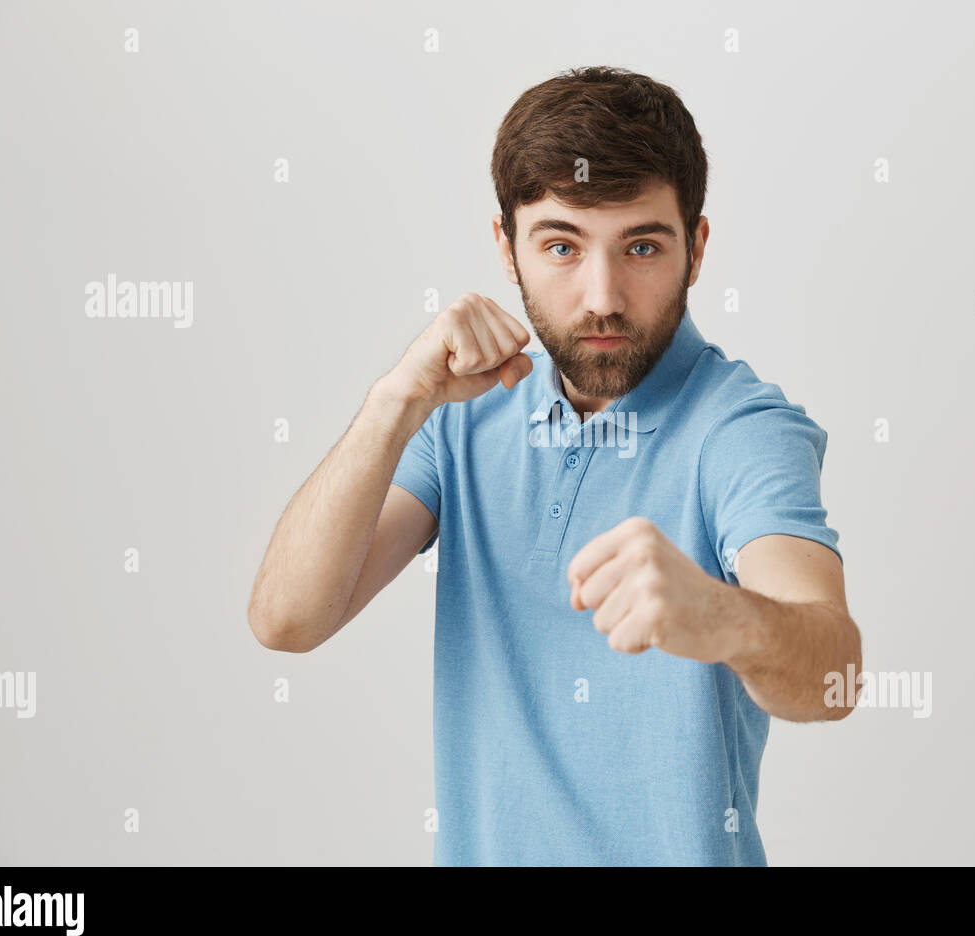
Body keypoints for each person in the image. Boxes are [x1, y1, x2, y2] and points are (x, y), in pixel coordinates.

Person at [247, 65, 862, 866]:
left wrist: (721, 617)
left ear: (697, 247)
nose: (602, 295)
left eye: (641, 245)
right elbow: (286, 621)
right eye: (562, 246)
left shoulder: (740, 430)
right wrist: (396, 402)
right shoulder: (458, 414)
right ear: (506, 247)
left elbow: (835, 679)